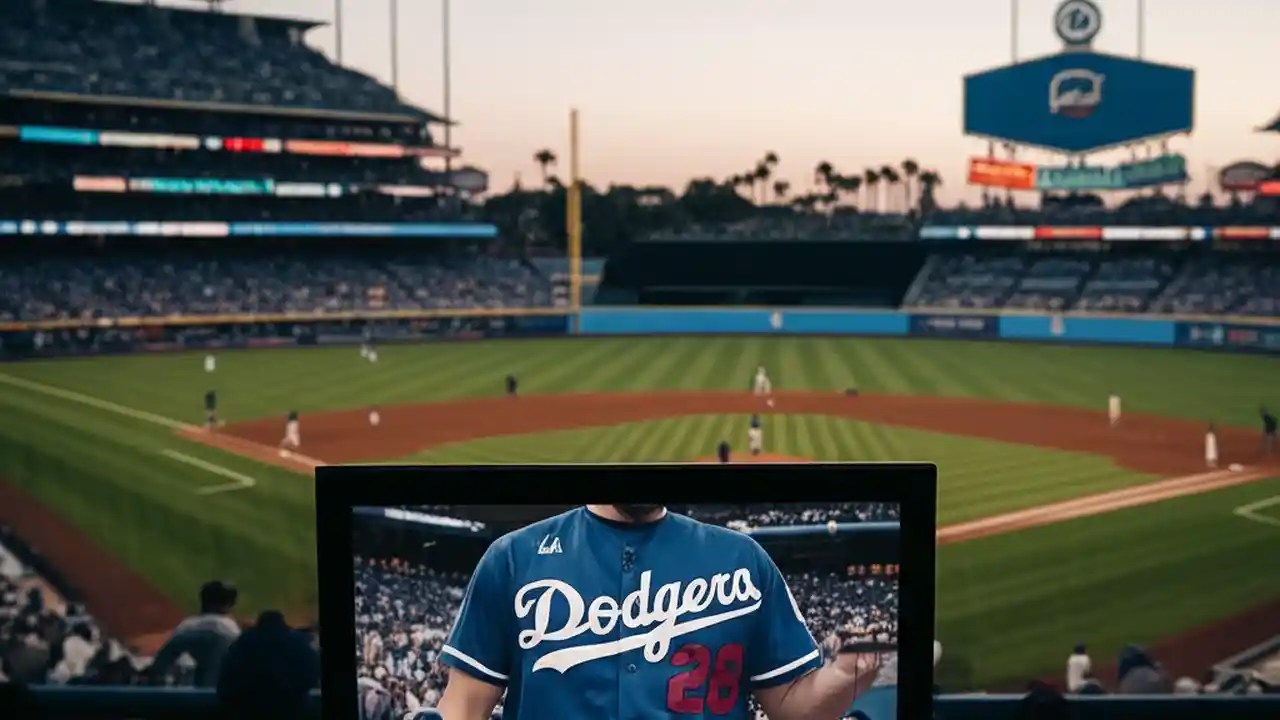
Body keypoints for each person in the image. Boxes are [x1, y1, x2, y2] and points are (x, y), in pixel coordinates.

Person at [436, 504, 883, 720]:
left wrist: (843, 677)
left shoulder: (740, 560)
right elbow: (463, 707)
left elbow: (792, 707)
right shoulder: (515, 557)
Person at [216, 610, 319, 720]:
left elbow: (226, 677)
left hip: (247, 706)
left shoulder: (243, 642)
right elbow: (311, 675)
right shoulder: (299, 643)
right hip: (290, 705)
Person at [147, 580, 241, 688]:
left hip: (176, 692)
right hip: (213, 696)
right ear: (228, 605)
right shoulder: (230, 628)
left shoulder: (186, 625)